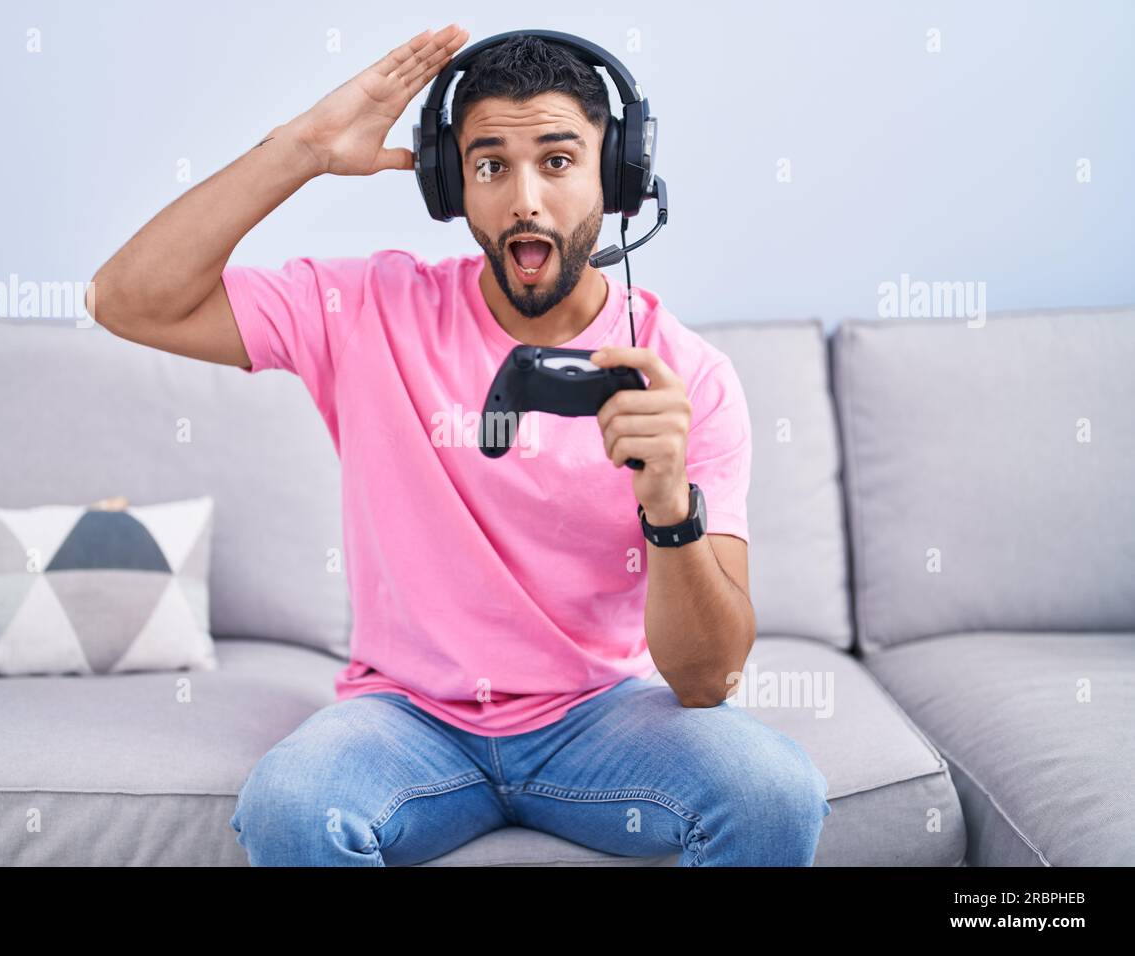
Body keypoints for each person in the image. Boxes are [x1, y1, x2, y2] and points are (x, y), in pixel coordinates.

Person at [86, 24, 831, 866]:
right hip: (407, 720)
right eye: (489, 166)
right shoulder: (366, 310)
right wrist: (303, 149)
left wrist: (668, 505)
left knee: (773, 794)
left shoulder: (686, 378)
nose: (524, 201)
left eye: (557, 161)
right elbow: (126, 300)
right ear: (450, 182)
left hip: (600, 716)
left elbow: (708, 683)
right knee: (293, 807)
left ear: (617, 175)